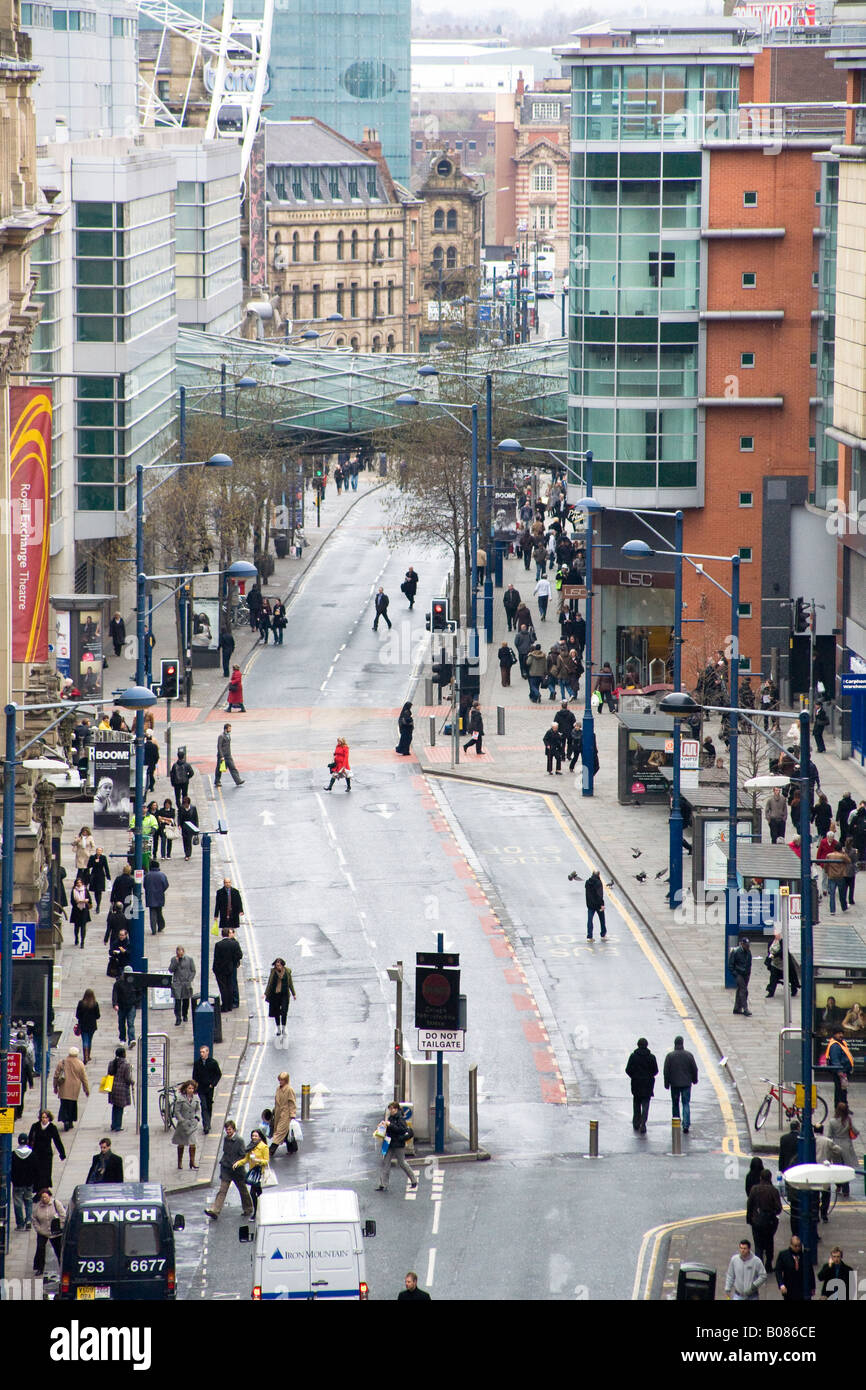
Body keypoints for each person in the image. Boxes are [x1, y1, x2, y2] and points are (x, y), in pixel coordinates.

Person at [206, 1120, 254, 1221]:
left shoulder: (239, 1140)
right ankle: (215, 1210)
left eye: (230, 1129)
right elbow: (225, 1152)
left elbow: (243, 1154)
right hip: (226, 1169)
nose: (228, 1131)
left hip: (237, 1170)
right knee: (222, 1190)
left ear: (234, 1129)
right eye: (226, 1130)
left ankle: (248, 1208)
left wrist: (236, 1163)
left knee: (243, 1190)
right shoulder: (225, 1139)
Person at [746, 1169, 783, 1273]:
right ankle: (768, 1265)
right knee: (769, 1243)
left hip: (756, 1221)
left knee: (758, 1245)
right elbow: (779, 1208)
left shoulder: (754, 1189)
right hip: (769, 1222)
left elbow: (749, 1205)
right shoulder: (773, 1191)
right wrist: (772, 1214)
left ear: (760, 1178)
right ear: (770, 1178)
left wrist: (749, 1219)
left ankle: (759, 1267)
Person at [376, 1101, 418, 1191]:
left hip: (398, 1144)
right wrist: (383, 1126)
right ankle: (383, 1184)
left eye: (392, 1109)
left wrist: (390, 1125)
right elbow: (390, 1129)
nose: (391, 1110)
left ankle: (414, 1180)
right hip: (390, 1143)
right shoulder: (391, 1118)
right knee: (385, 1163)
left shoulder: (400, 1118)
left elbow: (401, 1130)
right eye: (390, 1109)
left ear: (396, 1109)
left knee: (402, 1163)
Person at [662, 1035, 698, 1133]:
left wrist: (666, 1083)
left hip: (674, 1084)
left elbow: (666, 1071)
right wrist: (694, 1080)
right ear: (682, 1043)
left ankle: (676, 1123)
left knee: (675, 1103)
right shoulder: (689, 1055)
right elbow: (694, 1069)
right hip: (686, 1084)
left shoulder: (670, 1056)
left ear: (675, 1044)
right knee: (686, 1103)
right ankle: (686, 1125)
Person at [53, 1046, 90, 1132]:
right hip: (74, 1088)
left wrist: (55, 1087)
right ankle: (70, 1121)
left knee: (64, 1104)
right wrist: (86, 1089)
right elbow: (84, 1078)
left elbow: (56, 1076)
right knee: (72, 1105)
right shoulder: (80, 1064)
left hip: (63, 1087)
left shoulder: (62, 1062)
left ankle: (65, 1119)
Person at [625, 1038, 658, 1135]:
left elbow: (628, 1069)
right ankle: (643, 1122)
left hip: (636, 1083)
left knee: (636, 1103)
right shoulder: (651, 1057)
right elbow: (655, 1070)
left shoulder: (633, 1056)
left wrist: (634, 1076)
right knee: (646, 1104)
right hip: (648, 1084)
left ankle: (636, 1122)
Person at [234, 1129, 270, 1217]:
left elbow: (266, 1161)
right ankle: (261, 1210)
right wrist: (238, 1163)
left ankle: (256, 1213)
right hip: (253, 1173)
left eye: (256, 1136)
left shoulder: (264, 1147)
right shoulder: (251, 1147)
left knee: (253, 1193)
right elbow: (246, 1159)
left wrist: (257, 1160)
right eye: (252, 1136)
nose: (254, 1137)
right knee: (258, 1193)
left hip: (259, 1173)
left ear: (260, 1137)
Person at [28, 1110, 65, 1191]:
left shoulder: (52, 1127)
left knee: (46, 1173)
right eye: (42, 1117)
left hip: (46, 1154)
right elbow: (30, 1139)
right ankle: (38, 1190)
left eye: (46, 1118)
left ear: (49, 1118)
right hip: (36, 1153)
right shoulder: (35, 1126)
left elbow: (57, 1141)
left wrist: (62, 1153)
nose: (44, 1119)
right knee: (37, 1172)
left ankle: (45, 1190)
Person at [827, 1102, 859, 1196]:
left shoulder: (832, 1121)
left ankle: (838, 1185)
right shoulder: (848, 1120)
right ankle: (846, 1189)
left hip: (836, 1145)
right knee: (846, 1167)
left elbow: (829, 1135)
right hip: (846, 1145)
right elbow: (855, 1131)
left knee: (837, 1166)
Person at [32, 1189, 66, 1277]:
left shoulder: (56, 1203)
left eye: (46, 1197)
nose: (44, 1199)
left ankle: (62, 1267)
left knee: (58, 1250)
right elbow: (34, 1219)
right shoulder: (37, 1207)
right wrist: (39, 1230)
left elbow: (63, 1215)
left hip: (55, 1232)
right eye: (42, 1197)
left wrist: (60, 1227)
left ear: (49, 1197)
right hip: (43, 1231)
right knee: (40, 1248)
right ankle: (40, 1268)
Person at [172, 1080, 201, 1170]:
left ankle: (192, 1161)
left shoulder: (196, 1098)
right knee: (181, 1144)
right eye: (189, 1088)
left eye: (192, 1088)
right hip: (183, 1125)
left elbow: (198, 1109)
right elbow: (176, 1111)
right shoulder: (180, 1099)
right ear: (185, 1089)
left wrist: (197, 1117)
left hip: (192, 1124)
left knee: (192, 1143)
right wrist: (181, 1120)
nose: (191, 1090)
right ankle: (179, 1162)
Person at [193, 1045, 222, 1136]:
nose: (202, 1054)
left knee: (209, 1105)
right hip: (201, 1088)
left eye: (203, 1052)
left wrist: (212, 1084)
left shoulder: (213, 1063)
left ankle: (208, 1122)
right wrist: (195, 1087)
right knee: (204, 1106)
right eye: (201, 1052)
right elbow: (194, 1076)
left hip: (209, 1089)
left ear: (207, 1052)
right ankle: (206, 1125)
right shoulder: (197, 1063)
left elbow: (218, 1074)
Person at [776, 1235, 815, 1301]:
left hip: (803, 1288)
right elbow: (778, 1271)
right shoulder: (783, 1255)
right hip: (789, 1288)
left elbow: (810, 1271)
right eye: (795, 1246)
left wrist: (812, 1286)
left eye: (799, 1246)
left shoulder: (805, 1255)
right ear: (791, 1245)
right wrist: (781, 1284)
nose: (797, 1248)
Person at [264, 958, 296, 1038]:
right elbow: (270, 983)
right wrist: (265, 994)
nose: (277, 967)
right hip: (275, 995)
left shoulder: (287, 972)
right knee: (276, 1013)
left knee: (284, 1011)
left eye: (279, 965)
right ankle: (278, 1029)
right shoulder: (273, 972)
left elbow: (290, 983)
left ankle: (284, 1028)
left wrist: (294, 994)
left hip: (285, 995)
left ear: (282, 965)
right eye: (276, 965)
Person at [213, 927, 243, 1012]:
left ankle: (225, 1005)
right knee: (230, 986)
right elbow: (239, 955)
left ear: (222, 934)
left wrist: (215, 969)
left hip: (221, 969)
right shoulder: (234, 944)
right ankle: (230, 1005)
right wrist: (233, 961)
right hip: (230, 968)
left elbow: (217, 958)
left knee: (223, 988)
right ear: (228, 934)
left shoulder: (218, 945)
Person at [269, 1071, 298, 1157]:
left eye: (282, 1080)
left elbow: (292, 1102)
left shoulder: (289, 1089)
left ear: (286, 1080)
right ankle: (293, 1147)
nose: (280, 1081)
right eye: (280, 1080)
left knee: (279, 1132)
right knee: (286, 1132)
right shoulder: (278, 1089)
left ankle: (271, 1151)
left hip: (285, 1114)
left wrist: (292, 1115)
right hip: (278, 1113)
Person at [764, 931, 800, 998]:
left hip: (784, 964)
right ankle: (771, 992)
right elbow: (769, 952)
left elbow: (782, 952)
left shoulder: (783, 942)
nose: (777, 936)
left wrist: (774, 955)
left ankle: (794, 990)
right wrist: (770, 957)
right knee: (773, 979)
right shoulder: (771, 942)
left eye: (778, 934)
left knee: (790, 977)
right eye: (776, 934)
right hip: (775, 964)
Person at [106, 1045, 133, 1132]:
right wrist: (132, 1082)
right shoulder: (126, 1065)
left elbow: (109, 1074)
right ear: (123, 1054)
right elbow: (127, 1078)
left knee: (114, 1107)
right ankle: (118, 1125)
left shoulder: (111, 1063)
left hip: (112, 1087)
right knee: (120, 1107)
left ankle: (113, 1124)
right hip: (121, 1088)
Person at [12, 1132, 35, 1231]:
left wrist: (13, 1180)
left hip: (17, 1183)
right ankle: (29, 1220)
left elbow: (11, 1169)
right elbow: (35, 1169)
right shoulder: (32, 1154)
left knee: (18, 1203)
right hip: (29, 1182)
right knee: (28, 1201)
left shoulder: (14, 1154)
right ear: (27, 1141)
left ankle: (20, 1224)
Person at [168, 944, 196, 1026]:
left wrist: (189, 979)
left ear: (183, 952)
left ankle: (185, 1014)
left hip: (186, 983)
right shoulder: (174, 959)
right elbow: (170, 970)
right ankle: (178, 1017)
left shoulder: (189, 959)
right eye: (178, 952)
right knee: (177, 1001)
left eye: (181, 952)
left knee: (186, 1000)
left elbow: (193, 970)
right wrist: (176, 962)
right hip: (177, 983)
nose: (179, 954)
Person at [112, 964, 139, 1044]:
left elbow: (139, 993)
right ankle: (122, 1038)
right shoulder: (118, 983)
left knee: (130, 1023)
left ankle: (131, 1039)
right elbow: (115, 994)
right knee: (121, 1023)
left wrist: (135, 1002)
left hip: (131, 1006)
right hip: (121, 1006)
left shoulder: (135, 982)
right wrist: (115, 1004)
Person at [827, 1029, 855, 1108]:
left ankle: (842, 1107)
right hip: (840, 1072)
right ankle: (841, 1108)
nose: (841, 1035)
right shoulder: (835, 1045)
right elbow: (835, 1059)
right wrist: (840, 1072)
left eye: (842, 1033)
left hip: (843, 1071)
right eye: (838, 1033)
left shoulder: (841, 1043)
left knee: (842, 1090)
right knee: (841, 1091)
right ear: (834, 1034)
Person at [144, 858, 169, 934]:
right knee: (159, 911)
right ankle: (161, 925)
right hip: (159, 896)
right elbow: (166, 885)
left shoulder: (147, 875)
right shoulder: (162, 875)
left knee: (152, 912)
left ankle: (153, 928)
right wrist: (161, 890)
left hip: (150, 896)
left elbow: (145, 885)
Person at [730, 935, 753, 1016]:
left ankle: (736, 1008)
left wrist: (748, 973)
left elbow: (749, 964)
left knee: (740, 990)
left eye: (748, 945)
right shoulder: (736, 951)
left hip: (746, 974)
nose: (748, 946)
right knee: (744, 991)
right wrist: (735, 974)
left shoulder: (748, 952)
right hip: (739, 974)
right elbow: (731, 965)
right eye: (746, 945)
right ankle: (745, 1009)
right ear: (742, 944)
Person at [69, 871, 92, 949]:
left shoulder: (85, 890)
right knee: (76, 926)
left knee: (83, 926)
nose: (79, 884)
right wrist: (77, 902)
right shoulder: (74, 891)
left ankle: (82, 941)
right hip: (76, 910)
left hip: (84, 910)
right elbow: (72, 901)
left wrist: (86, 901)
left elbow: (89, 900)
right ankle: (76, 938)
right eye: (77, 883)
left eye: (80, 882)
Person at [84, 847, 110, 914]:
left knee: (99, 891)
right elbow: (88, 866)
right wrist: (94, 862)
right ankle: (97, 903)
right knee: (95, 891)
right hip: (94, 875)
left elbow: (106, 867)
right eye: (98, 850)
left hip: (101, 876)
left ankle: (98, 905)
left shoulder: (103, 858)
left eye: (100, 851)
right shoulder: (92, 857)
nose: (99, 852)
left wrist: (108, 876)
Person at [585, 869, 606, 940]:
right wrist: (602, 904)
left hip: (590, 905)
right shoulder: (598, 883)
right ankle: (603, 934)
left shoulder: (587, 882)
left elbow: (587, 894)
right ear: (598, 875)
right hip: (598, 905)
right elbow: (600, 895)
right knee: (602, 920)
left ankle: (589, 936)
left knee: (590, 920)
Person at [179, 795, 199, 860]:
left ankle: (188, 854)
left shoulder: (193, 808)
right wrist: (179, 824)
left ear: (188, 803)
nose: (185, 805)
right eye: (184, 804)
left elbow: (196, 818)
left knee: (189, 840)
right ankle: (186, 853)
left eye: (186, 804)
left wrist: (196, 827)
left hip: (191, 827)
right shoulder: (181, 808)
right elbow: (179, 817)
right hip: (184, 827)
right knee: (184, 840)